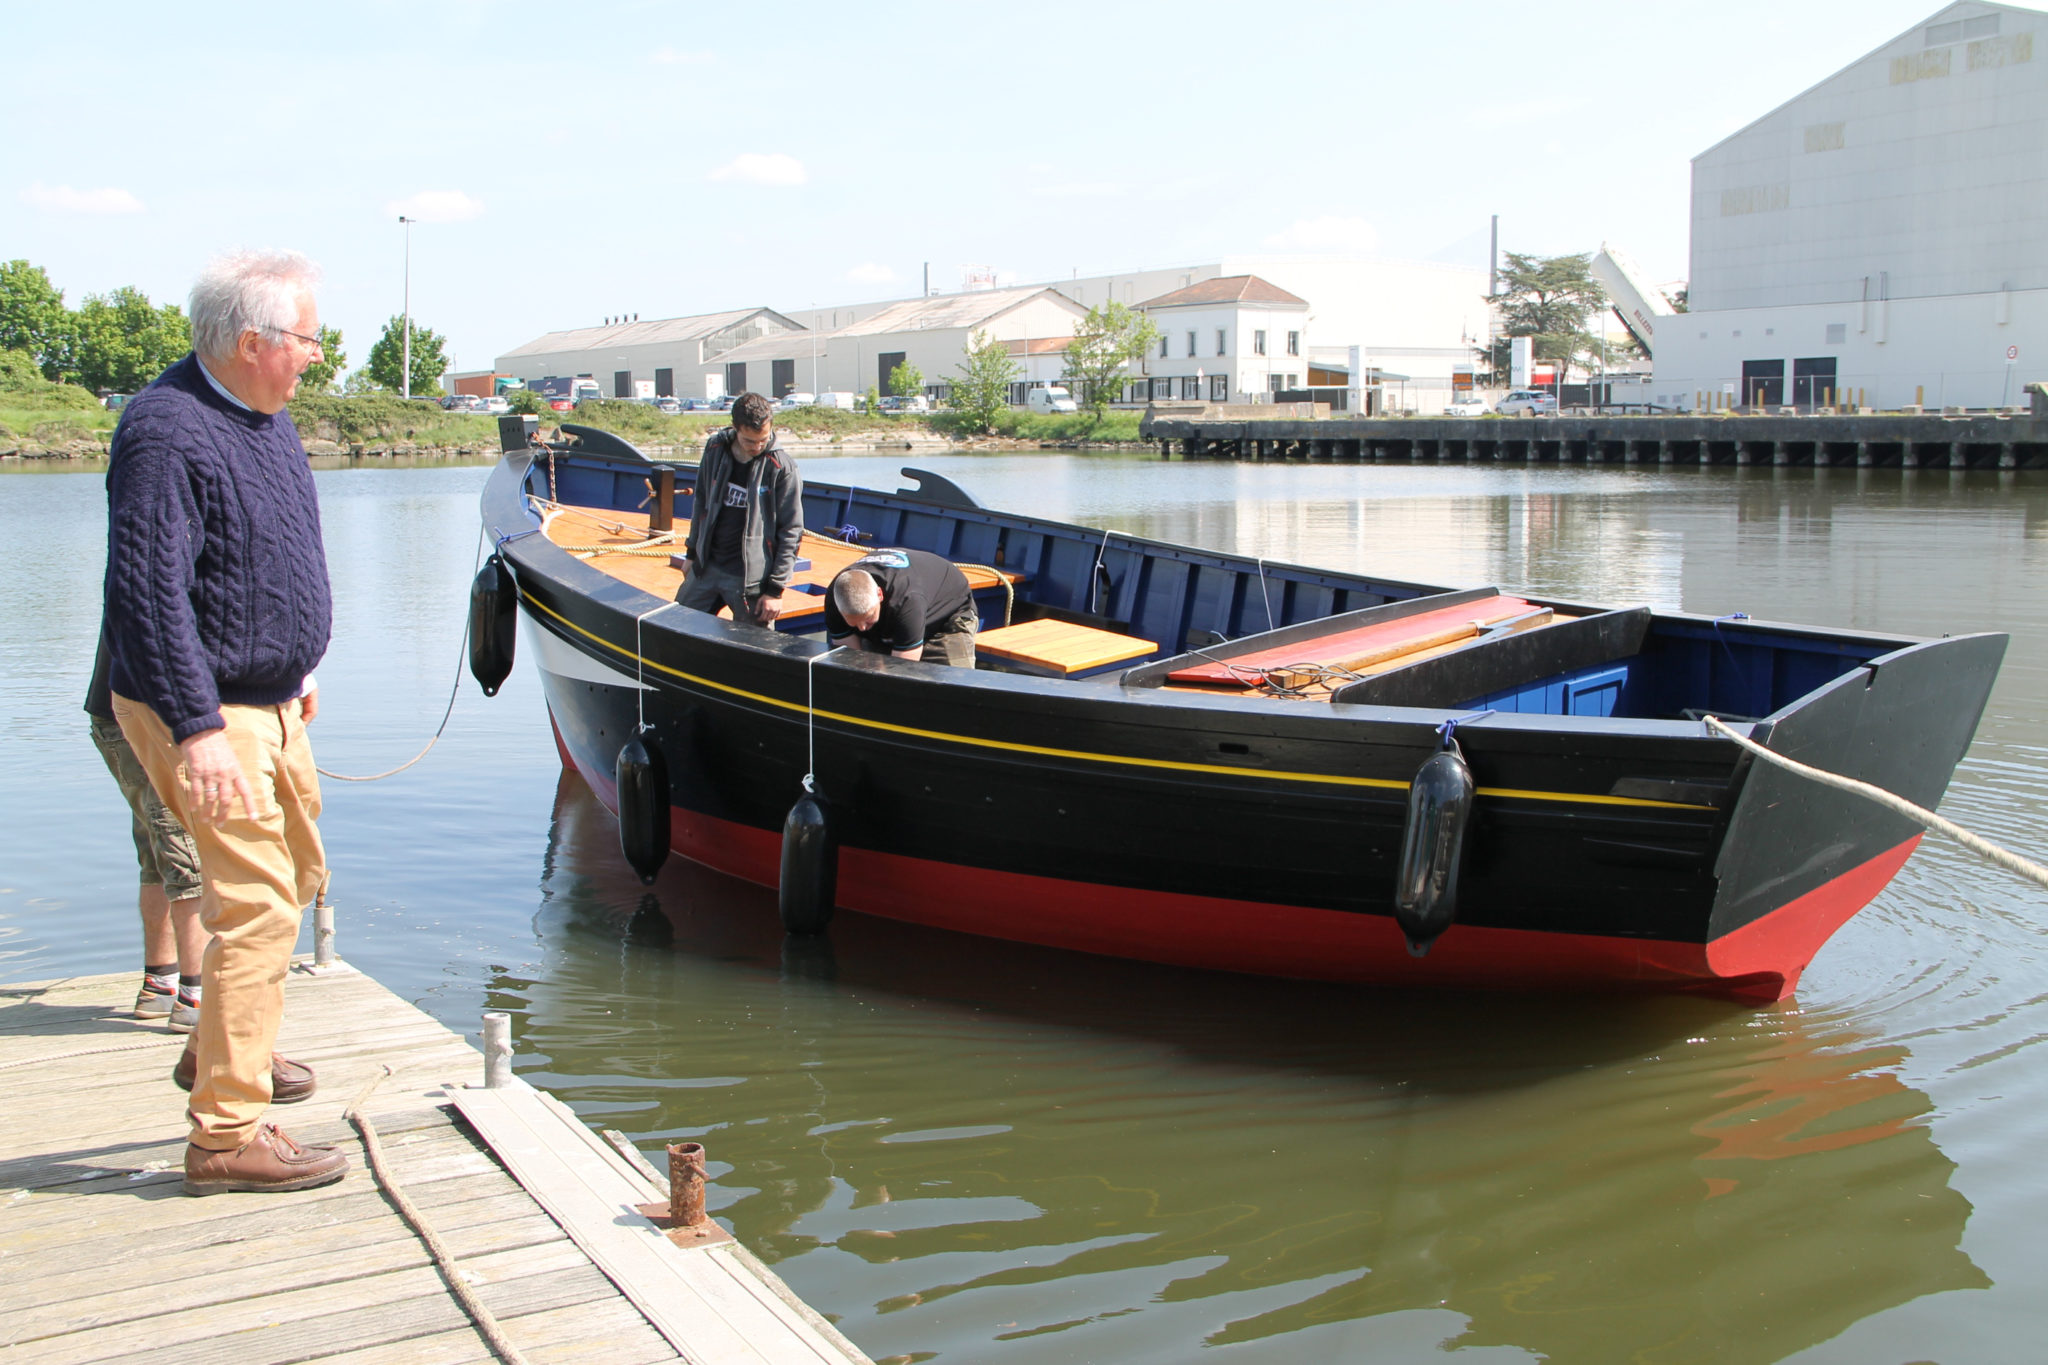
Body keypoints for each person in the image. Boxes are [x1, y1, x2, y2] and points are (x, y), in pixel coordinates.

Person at [104, 248, 343, 1197]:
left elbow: (273, 550)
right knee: (257, 905)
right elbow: (148, 594)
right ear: (253, 342)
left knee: (302, 870)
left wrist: (300, 661)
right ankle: (226, 1131)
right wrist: (198, 726)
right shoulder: (165, 431)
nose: (317, 356)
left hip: (270, 695)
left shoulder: (266, 415)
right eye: (309, 339)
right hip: (202, 703)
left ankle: (221, 1047)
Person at [85, 635, 207, 1031]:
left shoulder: (133, 569)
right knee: (187, 856)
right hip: (155, 716)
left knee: (157, 852)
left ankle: (160, 984)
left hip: (115, 708)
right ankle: (197, 995)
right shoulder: (173, 570)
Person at [675, 391, 803, 626]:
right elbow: (701, 502)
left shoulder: (781, 468)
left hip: (751, 580)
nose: (757, 446)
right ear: (735, 428)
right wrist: (692, 554)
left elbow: (791, 531)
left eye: (763, 440)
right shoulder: (715, 448)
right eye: (749, 441)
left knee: (756, 648)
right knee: (678, 624)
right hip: (707, 567)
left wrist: (775, 590)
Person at [823, 548, 979, 666]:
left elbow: (902, 671)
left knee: (953, 684)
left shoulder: (907, 600)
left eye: (867, 618)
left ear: (879, 595)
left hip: (948, 615)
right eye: (854, 622)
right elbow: (852, 660)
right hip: (894, 615)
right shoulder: (834, 598)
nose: (862, 628)